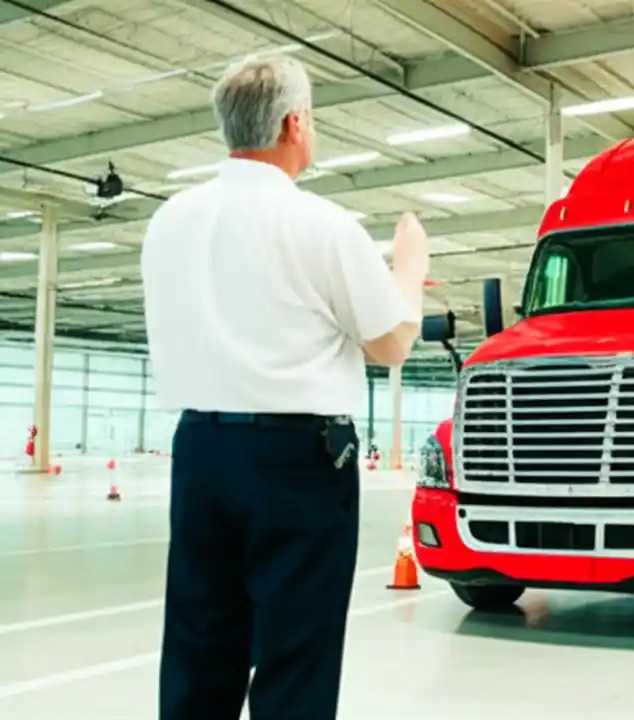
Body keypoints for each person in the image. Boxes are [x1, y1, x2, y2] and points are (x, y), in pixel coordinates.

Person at [141, 55, 431, 719]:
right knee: (295, 656)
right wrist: (408, 269)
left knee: (198, 650)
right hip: (299, 462)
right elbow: (390, 343)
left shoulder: (170, 221)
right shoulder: (323, 225)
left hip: (201, 453)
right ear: (295, 123)